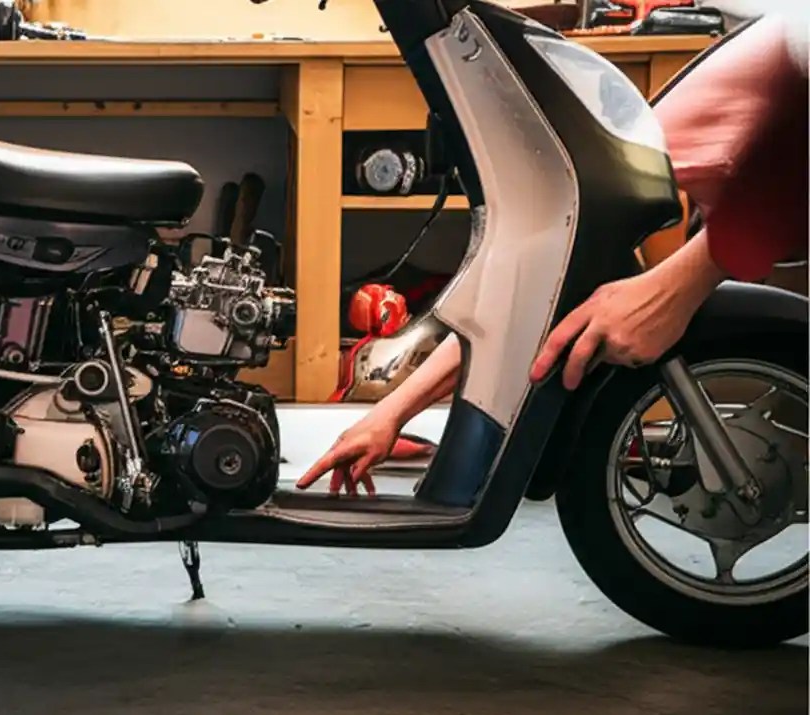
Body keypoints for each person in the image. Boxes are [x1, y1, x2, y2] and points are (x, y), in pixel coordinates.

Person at [298, 10, 808, 495]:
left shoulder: (664, 149)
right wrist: (390, 412)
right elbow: (528, 306)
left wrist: (681, 283)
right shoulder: (664, 145)